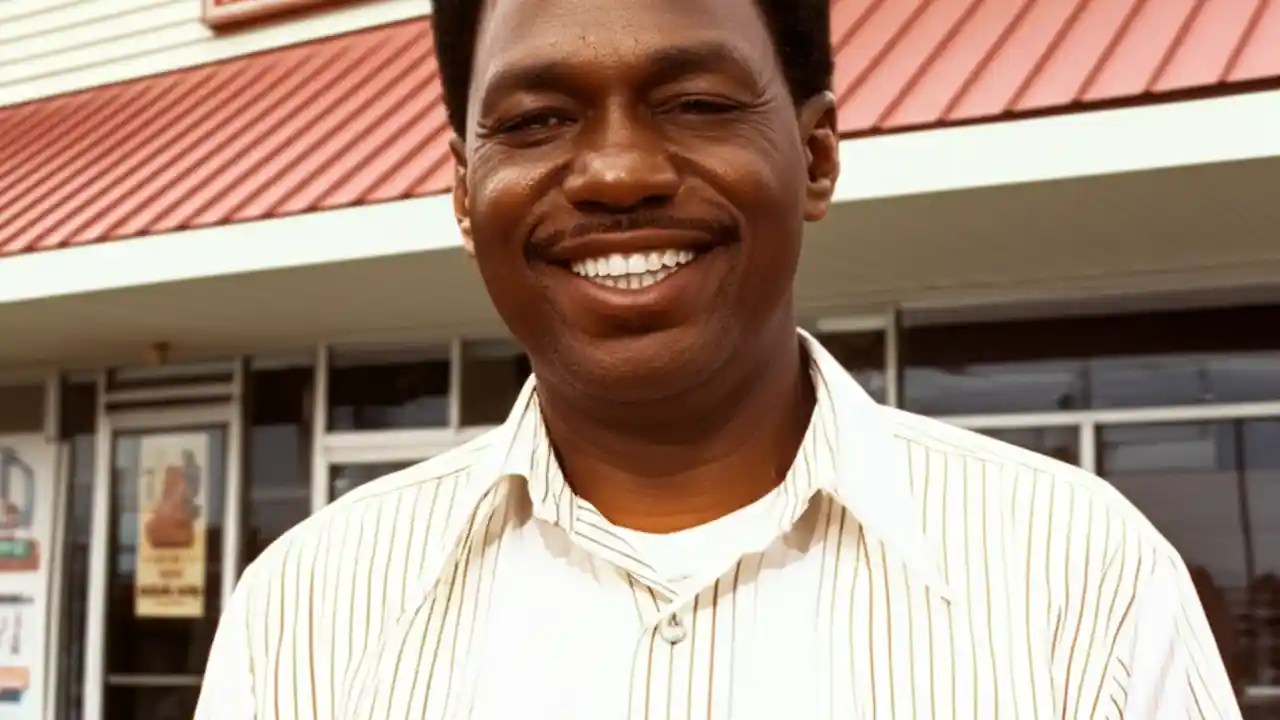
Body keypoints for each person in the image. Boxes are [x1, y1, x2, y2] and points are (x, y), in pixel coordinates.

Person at [196, 0, 1241, 717]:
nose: (616, 173)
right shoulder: (310, 607)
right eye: (537, 119)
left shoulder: (1075, 575)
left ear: (816, 157)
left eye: (695, 103)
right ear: (465, 195)